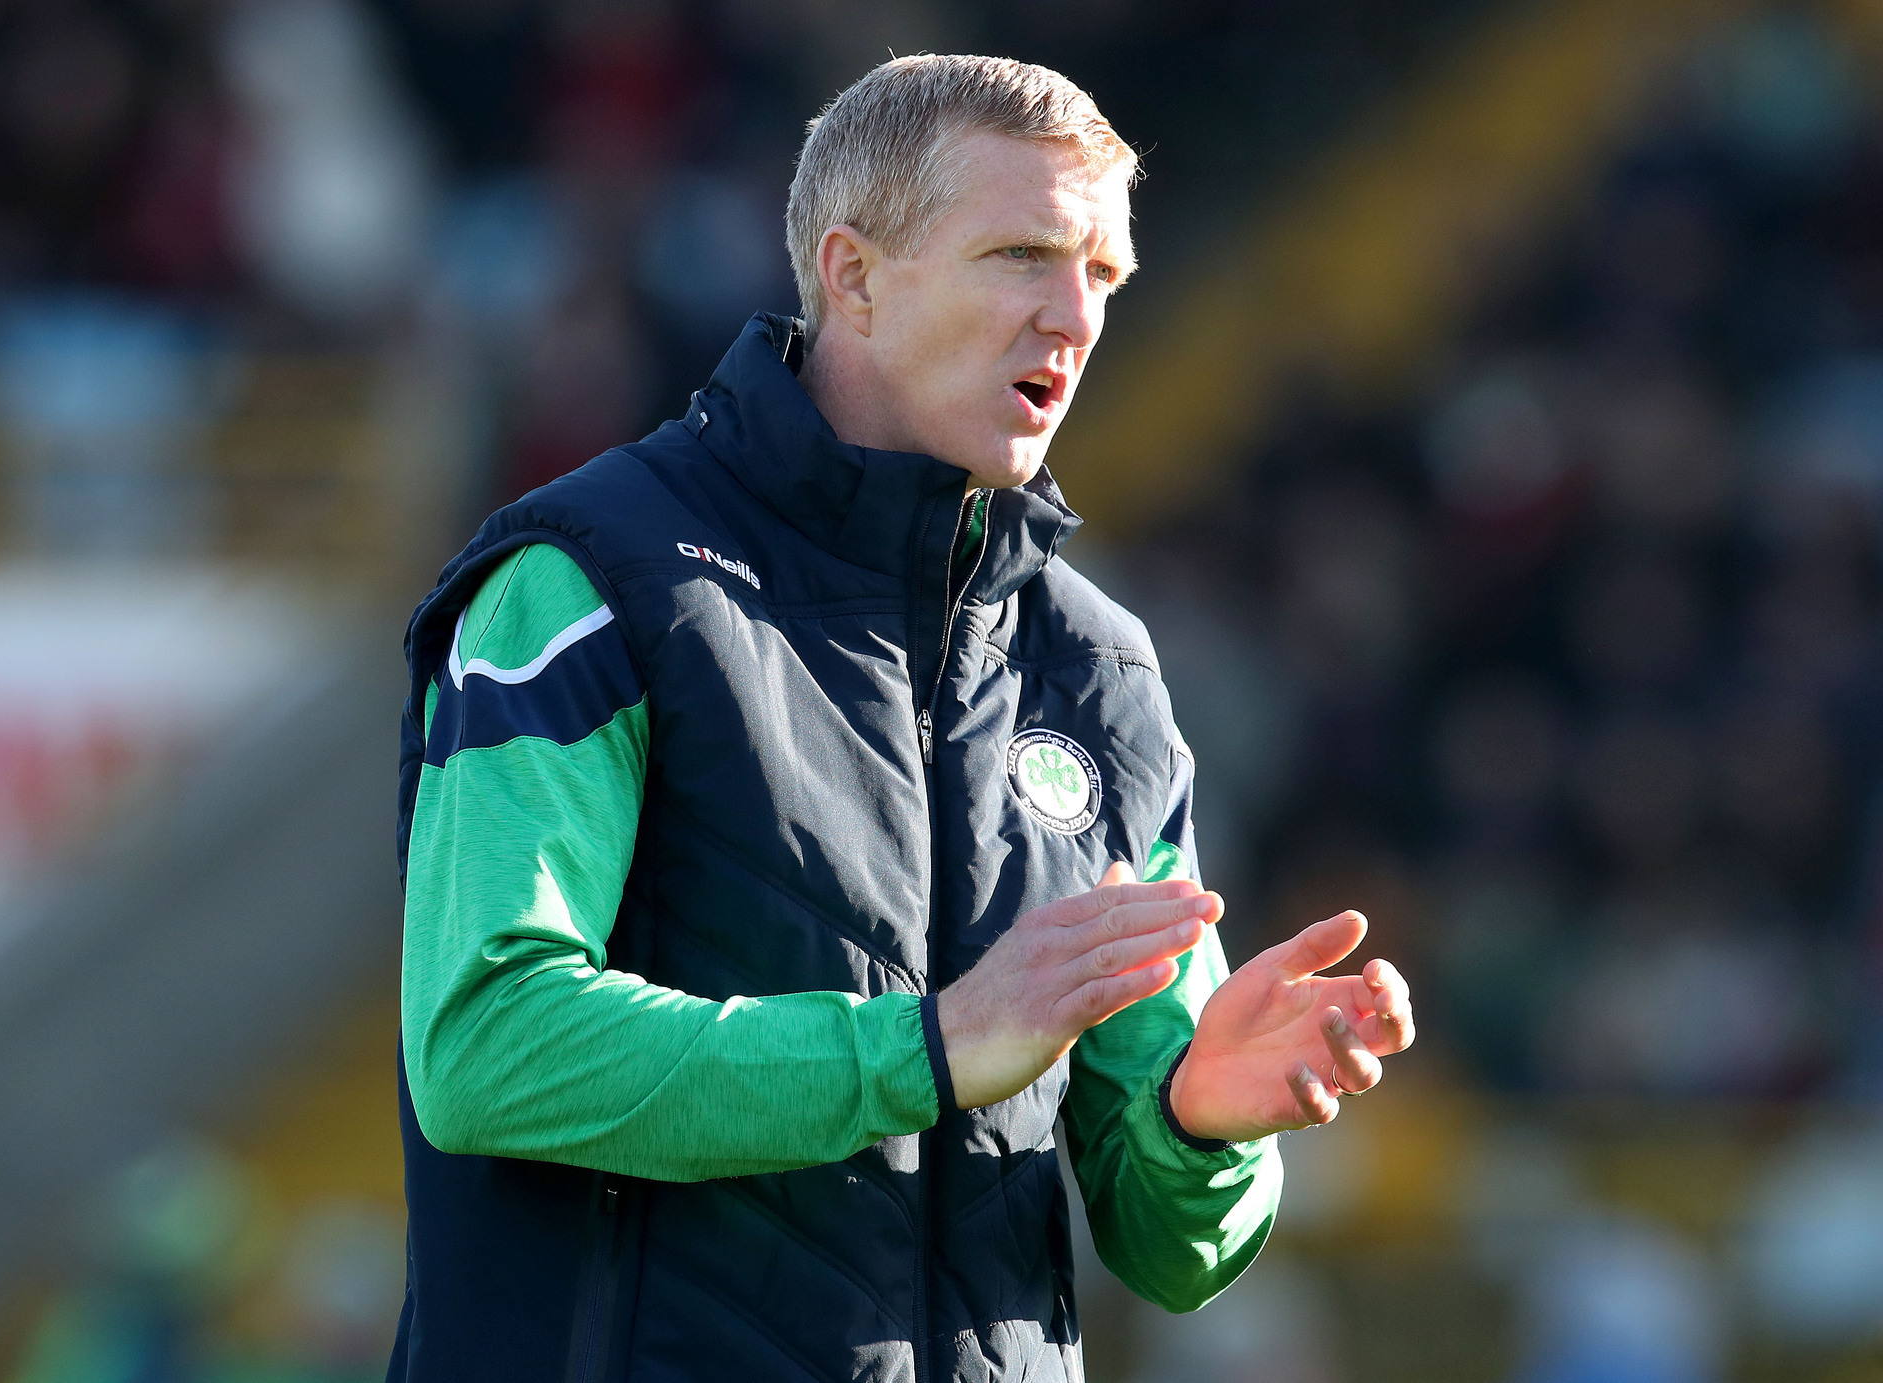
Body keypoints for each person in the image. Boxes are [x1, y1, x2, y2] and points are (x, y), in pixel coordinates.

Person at [391, 54, 1415, 1383]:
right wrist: (927, 1050)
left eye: (1101, 273)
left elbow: (1169, 1247)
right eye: (1021, 255)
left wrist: (1198, 1126)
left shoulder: (1100, 673)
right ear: (854, 275)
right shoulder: (585, 588)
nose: (1072, 316)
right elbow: (487, 1044)